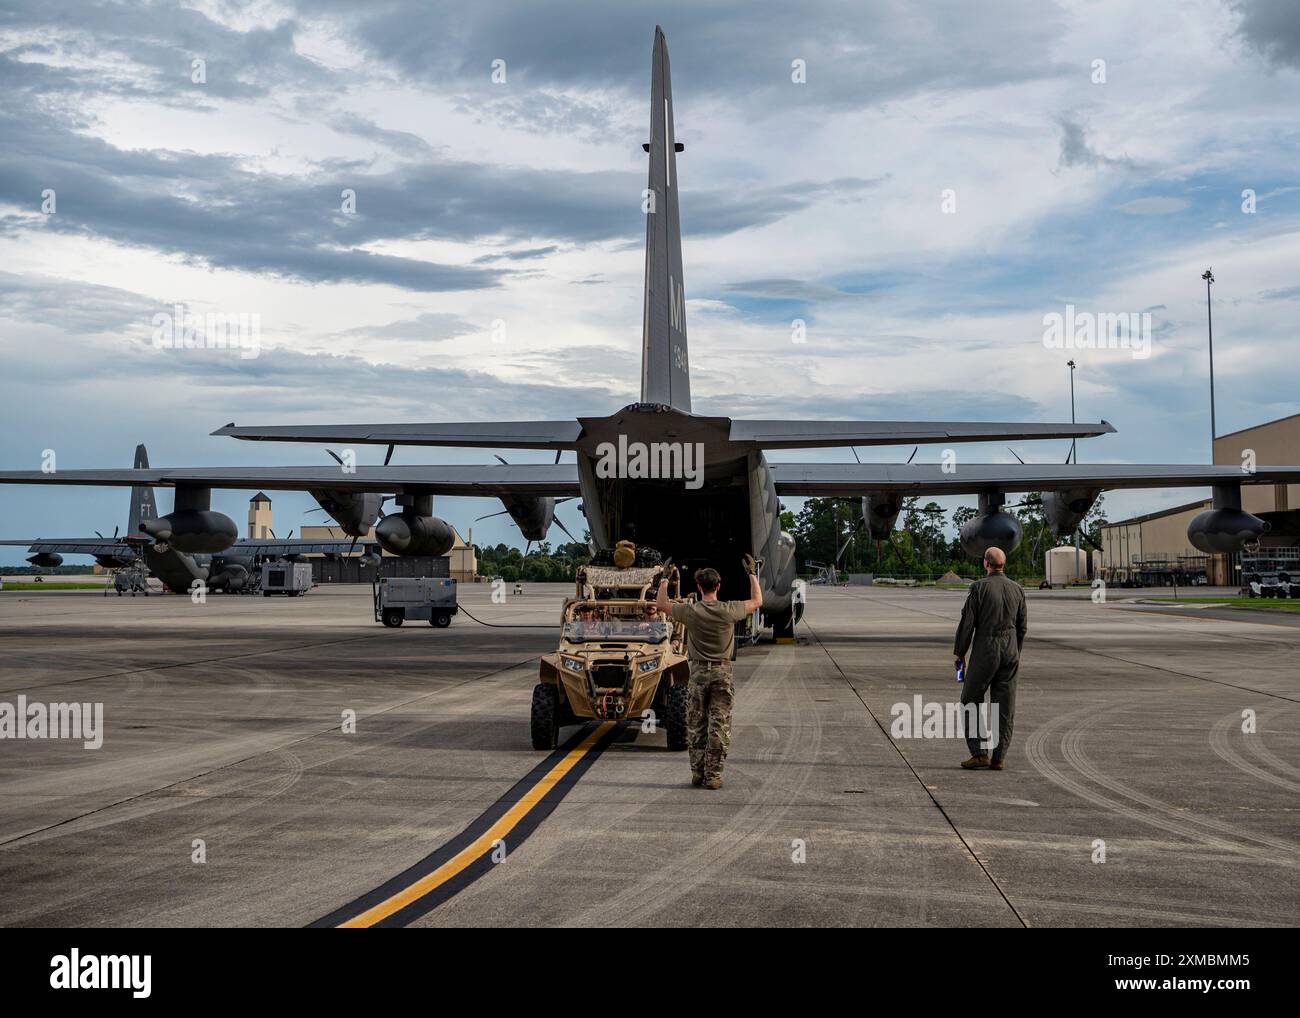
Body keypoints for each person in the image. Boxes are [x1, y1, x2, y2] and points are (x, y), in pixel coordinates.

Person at [656, 555, 763, 789]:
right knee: (719, 725)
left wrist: (664, 579)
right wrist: (752, 574)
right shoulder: (729, 611)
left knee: (696, 723)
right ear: (718, 586)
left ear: (698, 587)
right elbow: (757, 601)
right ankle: (713, 776)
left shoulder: (691, 612)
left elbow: (662, 605)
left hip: (697, 672)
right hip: (722, 672)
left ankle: (697, 772)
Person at [953, 546, 1026, 770]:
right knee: (1005, 705)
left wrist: (960, 653)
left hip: (986, 649)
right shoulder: (1017, 589)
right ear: (1003, 564)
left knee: (970, 699)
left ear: (986, 563)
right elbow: (1022, 626)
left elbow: (968, 624)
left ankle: (979, 753)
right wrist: (1015, 652)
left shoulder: (978, 588)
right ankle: (999, 757)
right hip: (1011, 649)